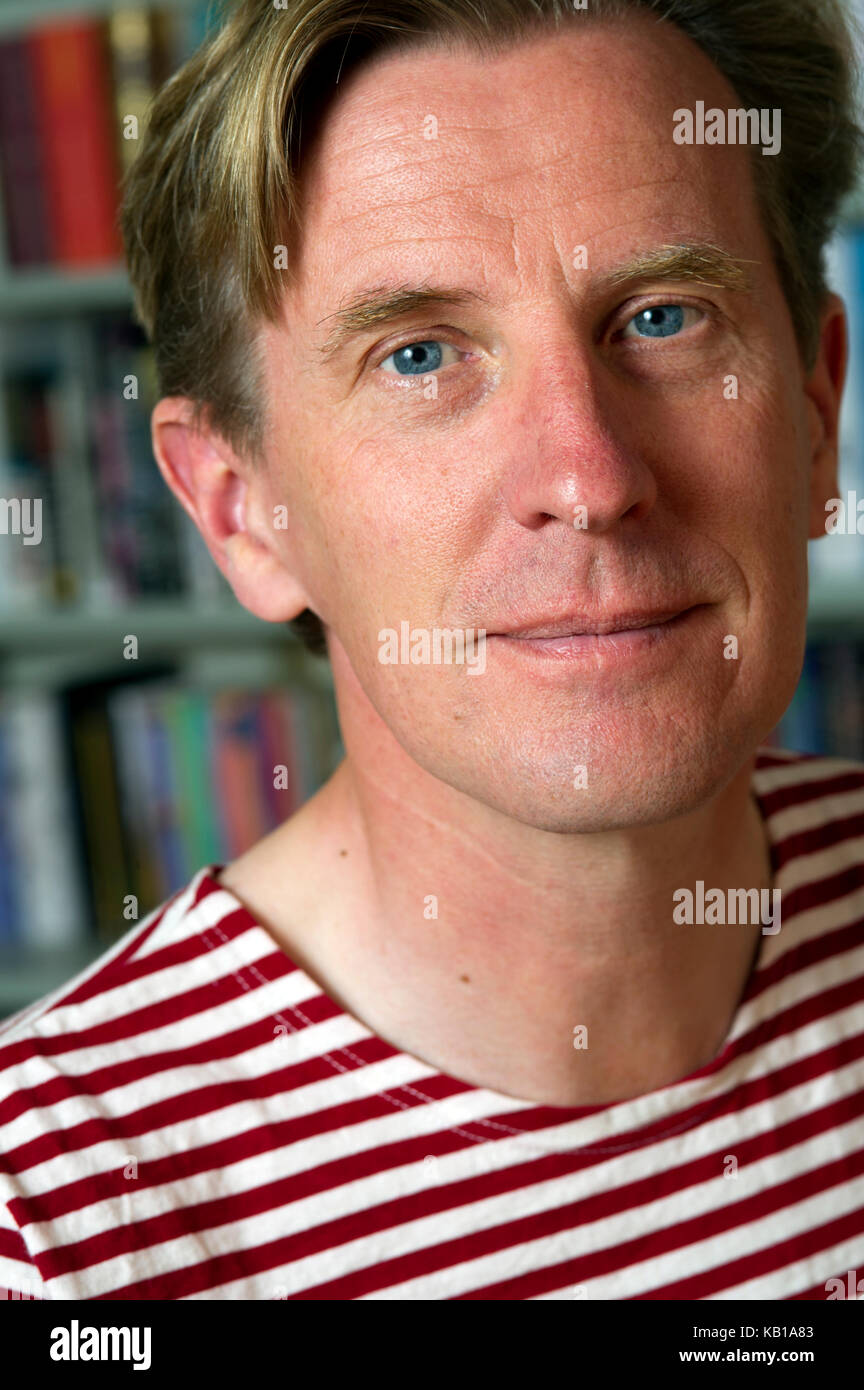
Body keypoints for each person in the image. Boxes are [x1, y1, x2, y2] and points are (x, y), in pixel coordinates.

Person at [2, 0, 864, 1301]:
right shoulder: (58, 1226)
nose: (588, 475)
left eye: (663, 317)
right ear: (242, 510)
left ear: (814, 420)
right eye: (420, 355)